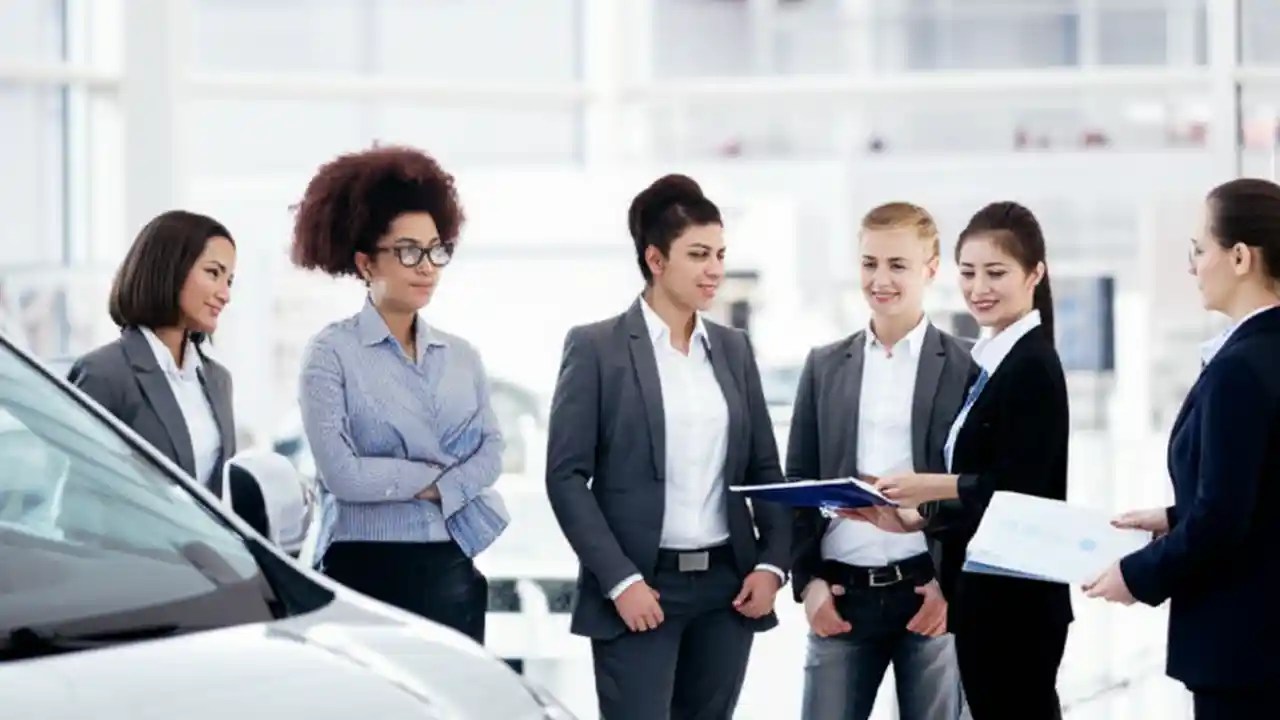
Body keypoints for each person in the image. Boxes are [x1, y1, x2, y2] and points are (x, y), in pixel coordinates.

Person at [545, 174, 791, 720]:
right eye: (698, 254)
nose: (715, 270)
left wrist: (773, 565)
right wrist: (620, 580)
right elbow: (565, 477)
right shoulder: (596, 348)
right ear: (656, 260)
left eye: (721, 254)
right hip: (641, 590)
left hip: (728, 591)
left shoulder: (732, 349)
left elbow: (765, 468)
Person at [846, 201, 1072, 719]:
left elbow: (1019, 490)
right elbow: (982, 494)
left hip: (1017, 603)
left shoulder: (1031, 365)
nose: (978, 288)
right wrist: (911, 519)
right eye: (968, 273)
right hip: (988, 596)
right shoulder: (994, 360)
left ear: (1035, 273)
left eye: (996, 273)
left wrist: (930, 486)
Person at [291, 144, 507, 644]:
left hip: (452, 565)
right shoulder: (330, 353)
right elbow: (342, 476)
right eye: (408, 251)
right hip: (363, 569)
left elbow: (492, 454)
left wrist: (432, 487)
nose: (426, 266)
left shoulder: (461, 355)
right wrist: (439, 477)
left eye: (436, 250)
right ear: (367, 263)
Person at [1084, 178, 1280, 719]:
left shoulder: (1239, 369)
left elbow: (1223, 519)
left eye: (1198, 250)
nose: (1192, 266)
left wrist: (1137, 574)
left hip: (1245, 651)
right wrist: (1175, 515)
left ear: (1240, 257)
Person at [788, 202, 973, 720]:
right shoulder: (825, 366)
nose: (880, 279)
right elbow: (798, 480)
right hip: (842, 592)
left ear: (931, 270)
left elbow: (976, 489)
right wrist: (809, 585)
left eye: (897, 265)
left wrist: (950, 587)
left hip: (927, 592)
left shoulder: (966, 367)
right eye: (869, 263)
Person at [68, 210, 238, 498]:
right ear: (171, 269)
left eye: (229, 281)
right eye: (213, 273)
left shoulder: (217, 380)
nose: (225, 294)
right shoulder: (104, 374)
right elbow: (81, 495)